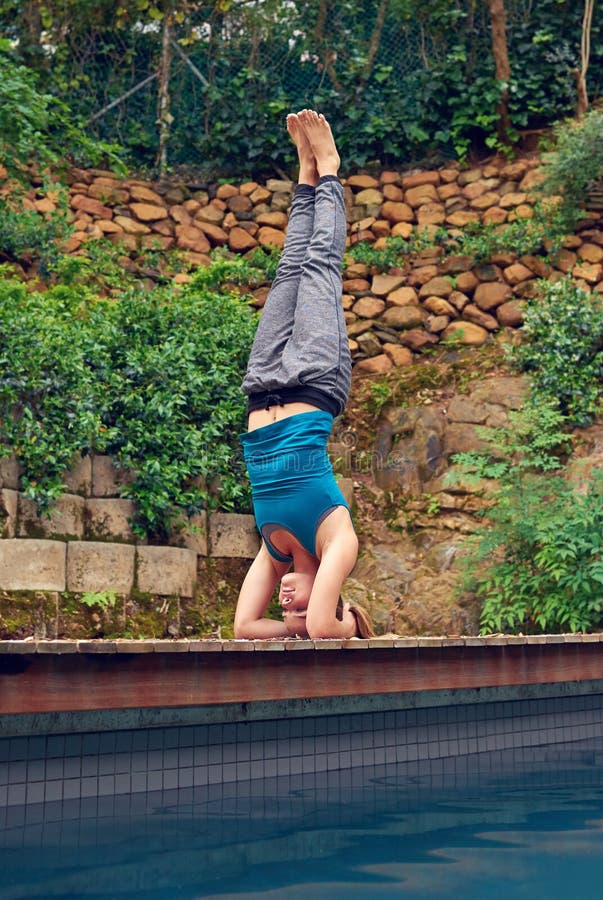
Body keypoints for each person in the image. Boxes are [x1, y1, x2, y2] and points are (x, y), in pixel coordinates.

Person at [233, 109, 374, 641]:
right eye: (297, 609)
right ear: (333, 598)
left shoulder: (273, 551)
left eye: (285, 611)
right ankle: (332, 169)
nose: (287, 605)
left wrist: (286, 630)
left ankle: (305, 177)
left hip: (262, 386)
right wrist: (339, 625)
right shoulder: (337, 541)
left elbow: (245, 627)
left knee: (289, 267)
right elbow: (321, 628)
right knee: (319, 267)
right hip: (315, 379)